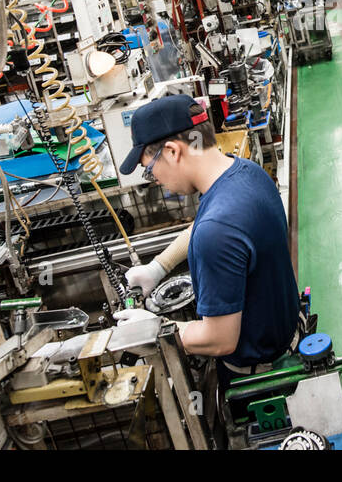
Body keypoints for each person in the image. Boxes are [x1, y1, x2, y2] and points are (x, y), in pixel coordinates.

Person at [116, 94, 301, 380]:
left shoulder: (216, 230)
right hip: (287, 338)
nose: (157, 181)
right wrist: (158, 267)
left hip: (257, 377)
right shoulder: (246, 173)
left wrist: (154, 328)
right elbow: (208, 225)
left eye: (151, 171)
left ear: (172, 151)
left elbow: (219, 339)